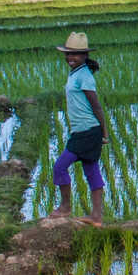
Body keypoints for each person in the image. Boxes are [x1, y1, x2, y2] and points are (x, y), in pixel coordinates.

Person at [50, 31, 109, 224]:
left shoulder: (84, 76)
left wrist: (104, 132)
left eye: (74, 54)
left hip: (87, 132)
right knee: (91, 170)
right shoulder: (76, 73)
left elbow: (96, 106)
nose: (70, 58)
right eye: (67, 54)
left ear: (85, 56)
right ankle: (96, 217)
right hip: (83, 131)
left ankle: (66, 208)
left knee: (60, 167)